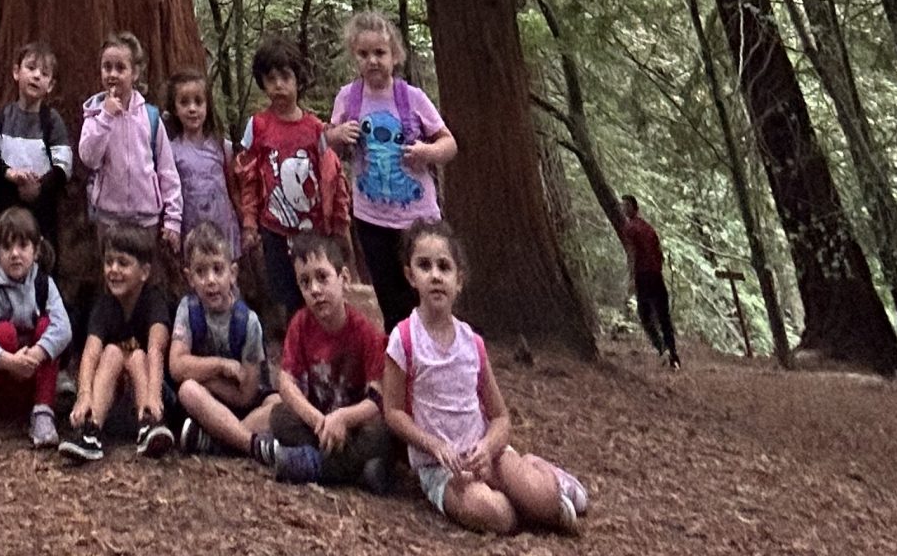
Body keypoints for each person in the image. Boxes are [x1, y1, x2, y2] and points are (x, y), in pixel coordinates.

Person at [382, 219, 589, 536]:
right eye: (424, 266)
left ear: (459, 280)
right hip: (441, 468)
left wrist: (487, 448)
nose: (435, 275)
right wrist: (433, 445)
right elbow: (393, 411)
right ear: (410, 275)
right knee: (498, 516)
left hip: (486, 453)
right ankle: (518, 498)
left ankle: (543, 477)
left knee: (545, 501)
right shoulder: (404, 339)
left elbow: (500, 417)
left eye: (444, 267)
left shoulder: (472, 344)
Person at [326, 9, 456, 331]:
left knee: (423, 290)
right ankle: (400, 358)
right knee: (388, 296)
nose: (373, 61)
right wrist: (337, 135)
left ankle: (433, 352)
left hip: (417, 219)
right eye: (364, 54)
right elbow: (330, 143)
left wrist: (426, 151)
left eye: (380, 53)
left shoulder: (411, 98)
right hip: (371, 218)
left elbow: (449, 144)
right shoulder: (348, 98)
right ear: (354, 57)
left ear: (395, 55)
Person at [255, 228, 390, 491]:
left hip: (353, 426)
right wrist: (319, 421)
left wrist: (343, 419)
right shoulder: (300, 324)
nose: (315, 289)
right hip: (317, 426)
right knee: (280, 417)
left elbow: (377, 398)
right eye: (305, 283)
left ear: (344, 279)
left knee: (381, 434)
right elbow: (286, 383)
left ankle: (312, 465)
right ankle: (359, 472)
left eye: (322, 278)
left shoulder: (364, 331)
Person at [238, 30, 349, 331]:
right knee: (284, 291)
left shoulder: (315, 128)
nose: (278, 85)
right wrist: (249, 222)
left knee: (315, 286)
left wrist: (338, 225)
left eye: (285, 77)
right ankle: (293, 343)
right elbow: (247, 177)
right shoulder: (257, 126)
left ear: (298, 79)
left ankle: (320, 340)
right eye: (270, 78)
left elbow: (333, 178)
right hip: (273, 228)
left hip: (312, 228)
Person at [61, 217, 174, 463]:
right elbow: (91, 352)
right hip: (114, 401)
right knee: (111, 352)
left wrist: (154, 397)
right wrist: (84, 395)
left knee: (137, 356)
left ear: (144, 272)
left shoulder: (154, 302)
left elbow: (156, 350)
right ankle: (91, 430)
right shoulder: (104, 305)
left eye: (123, 263)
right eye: (109, 262)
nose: (113, 270)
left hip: (155, 394)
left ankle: (150, 424)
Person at [0, 204, 72, 446]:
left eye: (23, 246)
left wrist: (36, 353)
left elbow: (64, 329)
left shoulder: (44, 284)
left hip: (33, 375)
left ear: (36, 249)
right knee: (3, 332)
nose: (15, 254)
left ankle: (42, 412)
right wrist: (10, 362)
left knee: (46, 326)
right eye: (7, 247)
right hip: (2, 379)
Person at [169, 218, 274, 457]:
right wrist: (221, 366)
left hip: (246, 409)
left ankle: (218, 441)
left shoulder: (248, 321)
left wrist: (198, 372)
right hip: (205, 403)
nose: (210, 281)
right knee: (187, 390)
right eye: (201, 272)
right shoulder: (188, 309)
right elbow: (176, 367)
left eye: (218, 269)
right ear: (189, 278)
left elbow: (246, 395)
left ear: (233, 273)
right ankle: (250, 444)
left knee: (280, 407)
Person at [77, 31, 182, 255]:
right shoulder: (95, 115)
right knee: (113, 274)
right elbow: (88, 157)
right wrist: (105, 117)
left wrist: (173, 219)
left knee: (143, 276)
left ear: (135, 73)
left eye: (120, 68)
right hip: (108, 218)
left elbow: (167, 170)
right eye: (107, 67)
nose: (112, 74)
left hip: (146, 220)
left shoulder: (151, 117)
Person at [0, 40, 73, 245]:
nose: (37, 76)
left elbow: (64, 167)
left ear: (51, 85)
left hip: (42, 212)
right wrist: (9, 174)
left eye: (44, 73)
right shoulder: (4, 116)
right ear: (16, 72)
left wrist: (38, 186)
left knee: (42, 261)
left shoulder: (51, 121)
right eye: (30, 68)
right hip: (7, 205)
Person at [163, 69, 241, 256]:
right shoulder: (171, 150)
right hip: (191, 230)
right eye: (184, 102)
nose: (192, 109)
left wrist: (246, 224)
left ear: (207, 106)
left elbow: (233, 188)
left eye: (198, 102)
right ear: (174, 108)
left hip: (223, 228)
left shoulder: (222, 146)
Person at [619, 195, 679, 368]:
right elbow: (659, 253)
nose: (624, 208)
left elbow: (632, 254)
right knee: (663, 316)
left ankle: (663, 350)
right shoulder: (648, 228)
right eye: (623, 205)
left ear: (634, 208)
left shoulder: (631, 228)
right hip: (656, 275)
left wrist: (631, 277)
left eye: (626, 206)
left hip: (644, 275)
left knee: (645, 316)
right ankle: (673, 354)